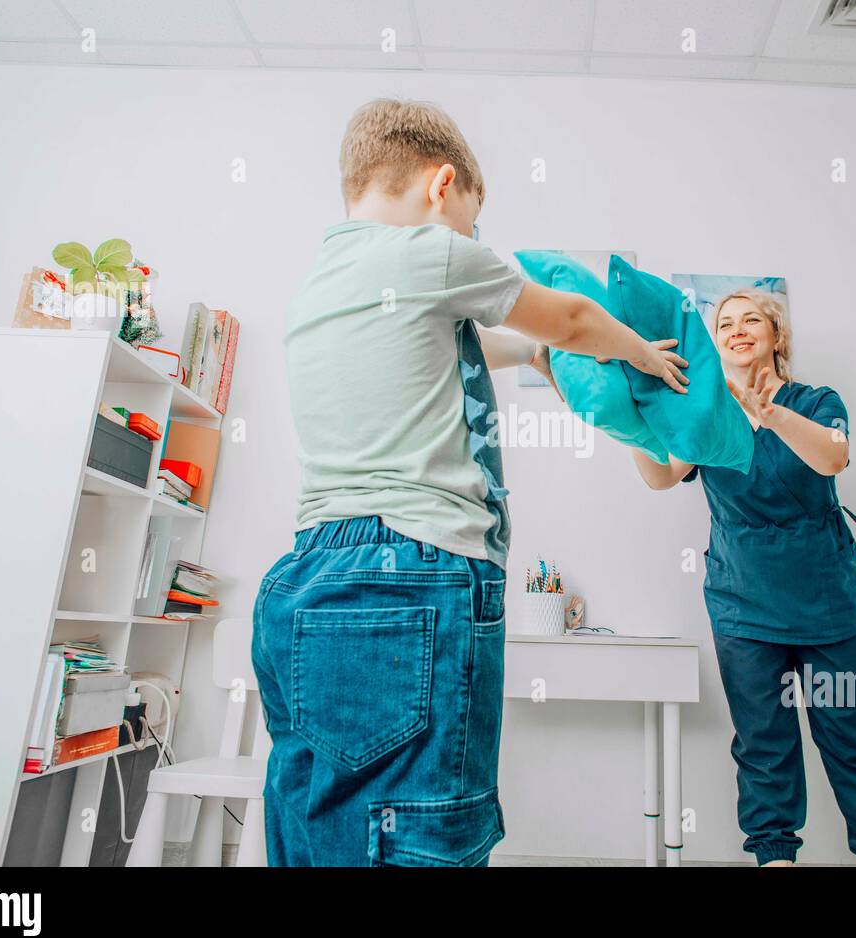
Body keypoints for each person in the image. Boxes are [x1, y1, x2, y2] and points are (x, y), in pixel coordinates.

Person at [251, 98, 688, 866]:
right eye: (469, 222)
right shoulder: (431, 252)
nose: (470, 242)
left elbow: (460, 341)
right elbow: (577, 318)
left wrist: (534, 359)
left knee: (327, 829)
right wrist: (642, 355)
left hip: (305, 583)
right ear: (442, 185)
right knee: (422, 834)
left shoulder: (323, 281)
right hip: (413, 576)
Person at [630, 288, 856, 867]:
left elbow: (833, 457)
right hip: (744, 607)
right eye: (724, 323)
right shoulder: (708, 416)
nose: (736, 330)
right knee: (764, 745)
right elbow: (660, 477)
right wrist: (630, 418)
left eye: (749, 319)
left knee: (853, 740)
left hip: (829, 606)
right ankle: (775, 857)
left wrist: (771, 415)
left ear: (776, 336)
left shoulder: (816, 400)